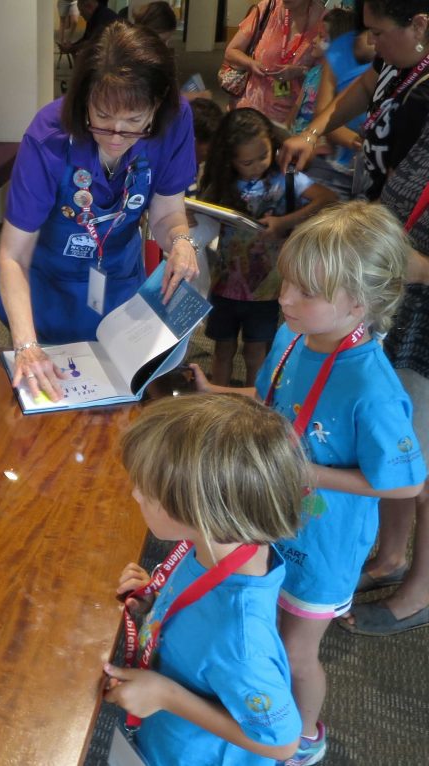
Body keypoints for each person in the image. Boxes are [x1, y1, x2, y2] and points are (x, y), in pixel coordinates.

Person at [191, 201, 427, 766]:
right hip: (271, 518)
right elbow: (276, 405)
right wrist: (218, 395)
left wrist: (310, 472)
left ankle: (303, 737)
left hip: (323, 547)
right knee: (264, 627)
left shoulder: (373, 389)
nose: (285, 299)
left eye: (306, 291)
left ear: (359, 304)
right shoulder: (295, 336)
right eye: (289, 283)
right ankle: (264, 714)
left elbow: (404, 485)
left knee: (299, 653)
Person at [288, 0, 429, 638]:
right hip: (381, 277)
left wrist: (369, 264)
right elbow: (367, 88)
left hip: (397, 282)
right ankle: (388, 552)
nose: (368, 45)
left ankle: (418, 587)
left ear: (420, 24)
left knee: (410, 446)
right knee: (382, 426)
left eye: (379, 33)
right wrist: (318, 129)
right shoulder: (406, 71)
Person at [0, 22, 199, 403]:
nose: (117, 136)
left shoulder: (175, 119)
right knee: (48, 398)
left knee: (117, 406)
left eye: (135, 122)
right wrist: (25, 346)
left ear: (158, 104)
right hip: (47, 288)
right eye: (101, 118)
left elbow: (168, 212)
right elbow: (13, 255)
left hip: (117, 282)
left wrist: (181, 242)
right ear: (82, 96)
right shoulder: (48, 136)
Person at [104, 394, 303, 766]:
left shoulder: (241, 641)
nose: (134, 494)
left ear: (204, 511)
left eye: (148, 492)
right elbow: (198, 602)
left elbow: (283, 745)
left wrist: (167, 697)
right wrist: (154, 599)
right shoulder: (219, 548)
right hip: (166, 735)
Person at [199, 108, 334, 387]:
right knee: (222, 348)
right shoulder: (223, 183)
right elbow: (205, 212)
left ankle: (254, 404)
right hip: (225, 283)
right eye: (247, 162)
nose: (258, 165)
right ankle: (216, 400)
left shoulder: (286, 178)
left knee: (256, 351)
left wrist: (284, 222)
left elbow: (326, 199)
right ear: (231, 160)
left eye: (264, 154)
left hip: (268, 288)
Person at [286, 8, 369, 199]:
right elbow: (326, 113)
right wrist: (310, 135)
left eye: (378, 33)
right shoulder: (340, 54)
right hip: (339, 166)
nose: (372, 40)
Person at [224, 0, 326, 126]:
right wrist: (250, 63)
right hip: (249, 112)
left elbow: (327, 77)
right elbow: (231, 51)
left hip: (290, 120)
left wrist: (300, 72)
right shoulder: (268, 8)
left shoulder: (324, 21)